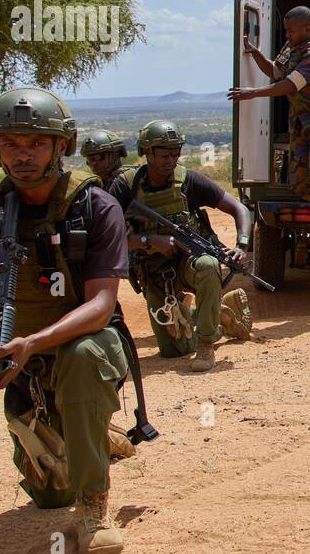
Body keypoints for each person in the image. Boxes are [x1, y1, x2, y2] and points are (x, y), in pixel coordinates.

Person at [0, 88, 130, 554]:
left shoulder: (94, 205)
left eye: (36, 143)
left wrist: (34, 341)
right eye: (10, 144)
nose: (21, 155)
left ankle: (93, 510)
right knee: (48, 496)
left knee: (83, 356)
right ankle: (94, 434)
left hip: (86, 346)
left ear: (62, 145)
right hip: (20, 361)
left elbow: (102, 306)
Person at [108, 120, 254, 371]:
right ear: (147, 152)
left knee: (209, 265)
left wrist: (241, 244)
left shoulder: (188, 180)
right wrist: (149, 240)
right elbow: (106, 236)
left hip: (189, 262)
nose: (171, 160)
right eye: (164, 155)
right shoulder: (126, 186)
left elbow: (239, 208)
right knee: (174, 350)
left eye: (176, 154)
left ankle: (207, 345)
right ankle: (221, 312)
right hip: (154, 270)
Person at [231, 6, 310, 261]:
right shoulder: (293, 47)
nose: (286, 34)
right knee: (298, 181)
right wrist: (254, 53)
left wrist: (252, 93)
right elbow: (275, 71)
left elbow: (289, 84)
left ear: (307, 29)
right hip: (302, 121)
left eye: (290, 30)